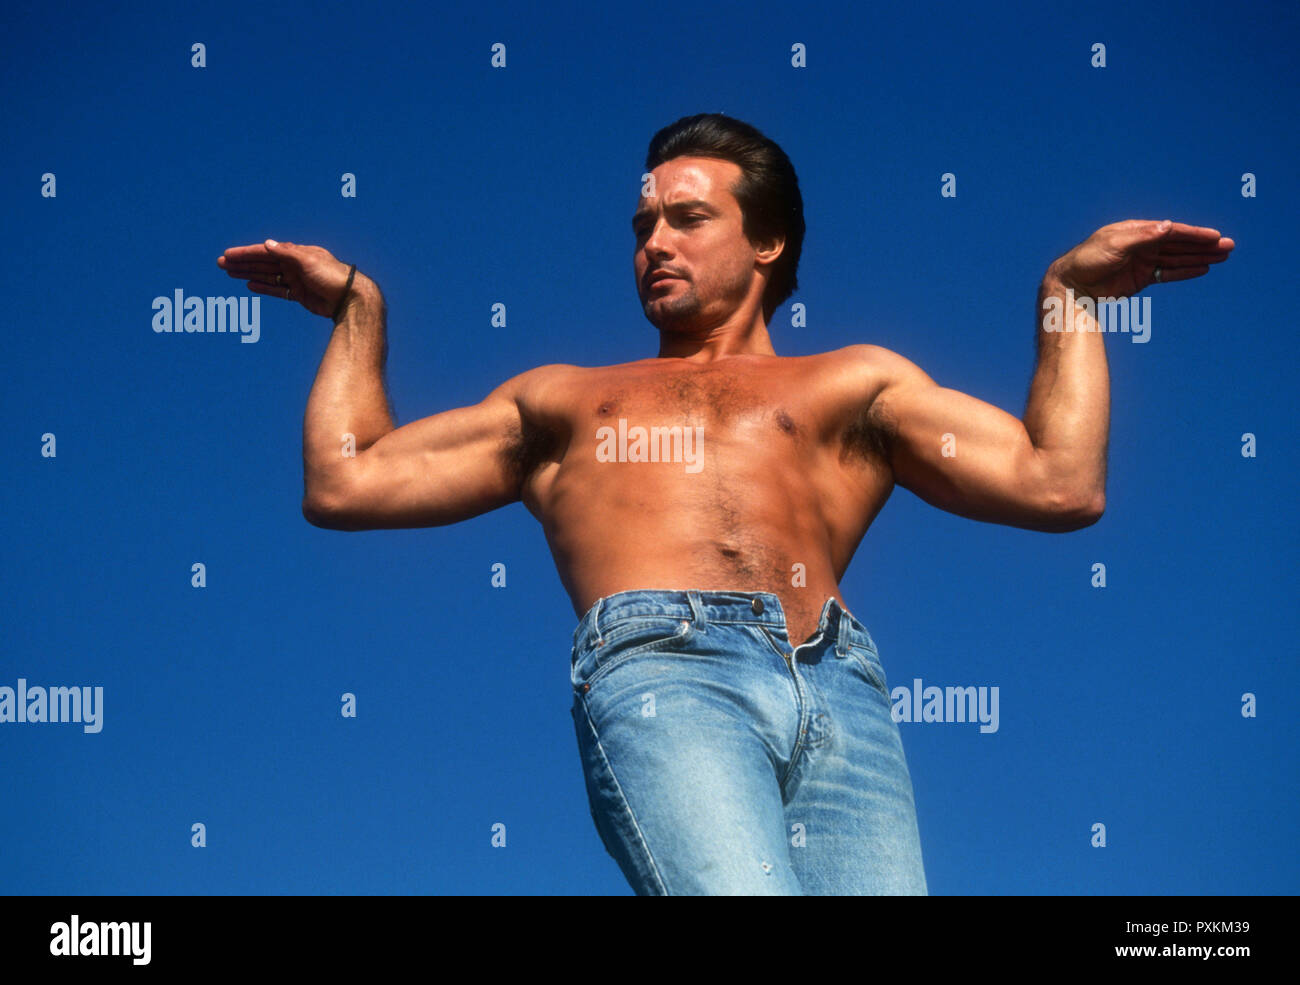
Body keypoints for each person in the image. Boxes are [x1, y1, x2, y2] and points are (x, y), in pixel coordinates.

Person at [217, 113, 1234, 895]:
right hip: (666, 671)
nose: (654, 241)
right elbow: (347, 480)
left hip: (839, 688)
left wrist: (1071, 293)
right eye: (642, 223)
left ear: (768, 246)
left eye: (687, 217)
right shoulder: (562, 399)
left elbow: (1058, 482)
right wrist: (358, 311)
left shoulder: (854, 384)